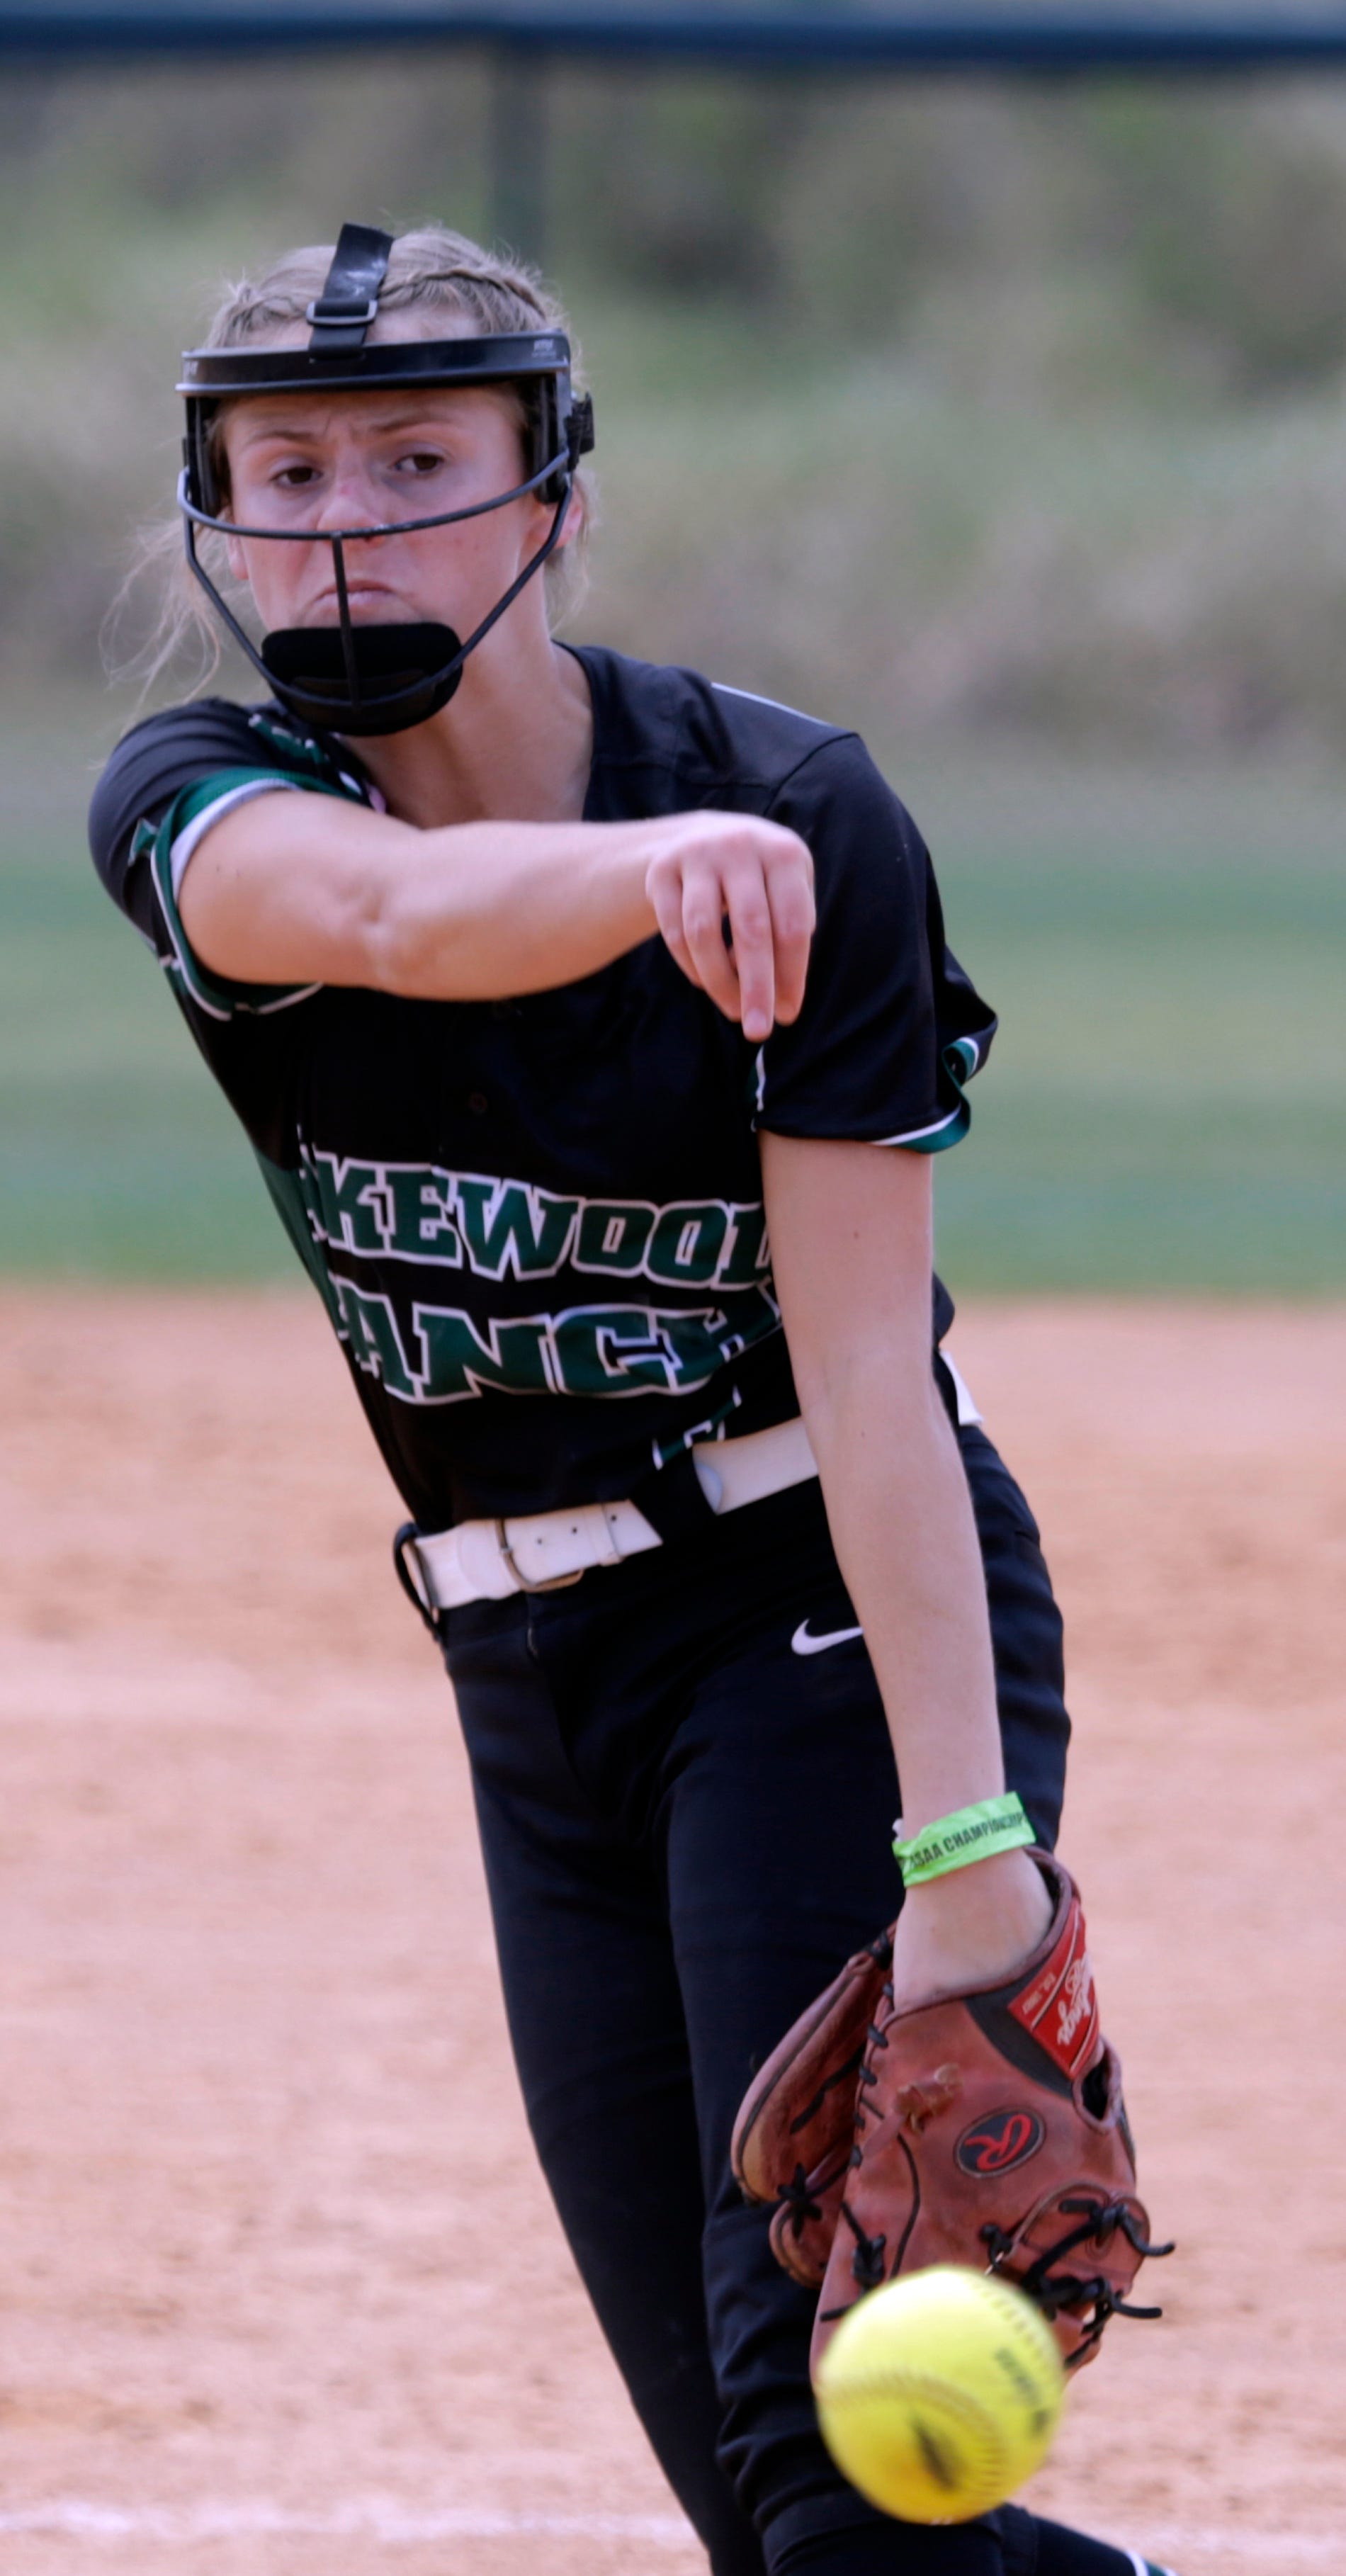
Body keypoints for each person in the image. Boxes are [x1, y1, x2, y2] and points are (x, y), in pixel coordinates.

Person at [89, 222, 1174, 2576]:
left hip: (809, 1625)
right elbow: (376, 919)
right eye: (281, 469)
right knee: (769, 2498)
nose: (343, 519)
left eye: (416, 457)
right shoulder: (195, 794)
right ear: (215, 511)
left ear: (552, 494)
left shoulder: (799, 814)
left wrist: (967, 1848)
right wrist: (633, 874)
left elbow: (878, 1366)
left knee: (831, 2500)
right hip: (525, 1674)